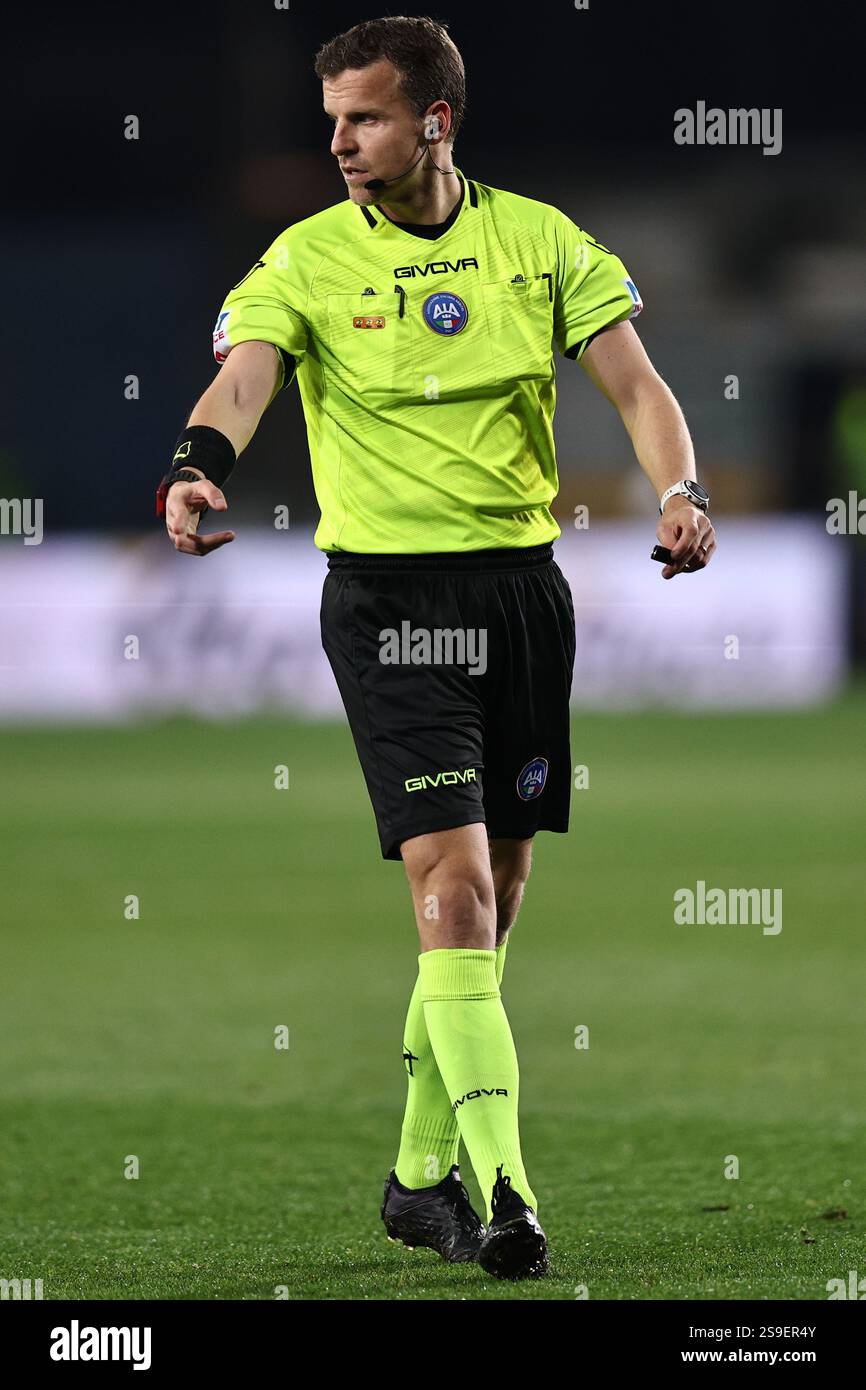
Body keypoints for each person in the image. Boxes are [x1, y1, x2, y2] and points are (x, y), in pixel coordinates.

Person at [157, 15, 716, 1281]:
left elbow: (633, 384)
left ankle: (414, 1179)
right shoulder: (303, 260)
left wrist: (680, 491)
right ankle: (504, 1191)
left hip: (522, 596)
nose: (341, 143)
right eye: (331, 122)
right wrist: (195, 468)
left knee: (492, 901)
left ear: (434, 123)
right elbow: (242, 380)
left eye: (362, 118)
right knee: (453, 893)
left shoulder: (540, 240)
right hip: (387, 606)